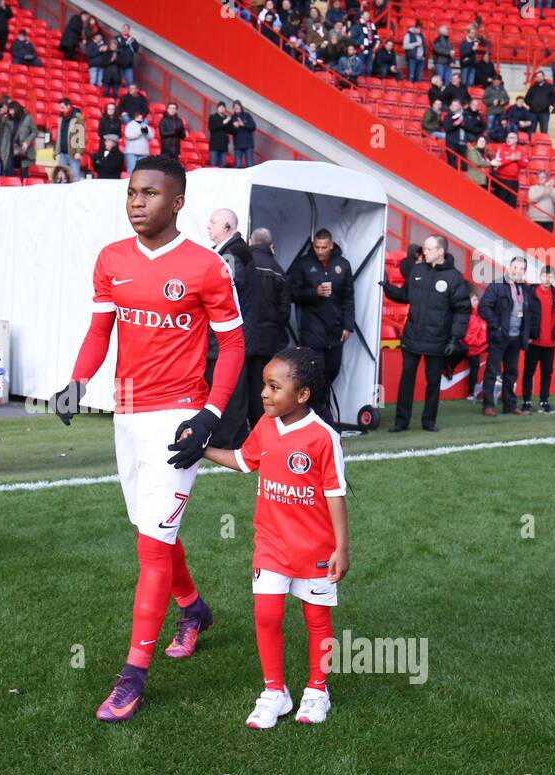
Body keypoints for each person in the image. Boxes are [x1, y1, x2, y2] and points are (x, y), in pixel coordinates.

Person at [48, 155, 244, 722]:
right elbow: (99, 329)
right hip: (126, 414)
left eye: (150, 194)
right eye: (132, 192)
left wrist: (208, 416)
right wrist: (77, 381)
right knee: (152, 527)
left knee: (152, 547)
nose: (137, 202)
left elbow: (232, 347)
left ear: (177, 201)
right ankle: (195, 610)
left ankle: (133, 675)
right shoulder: (111, 259)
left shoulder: (207, 267)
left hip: (178, 418)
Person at [199, 346, 347, 728]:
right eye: (264, 384)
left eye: (274, 387)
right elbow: (244, 461)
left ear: (302, 395)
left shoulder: (323, 437)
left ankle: (317, 690)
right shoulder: (265, 425)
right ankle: (275, 692)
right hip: (271, 545)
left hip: (315, 548)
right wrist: (202, 449)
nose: (264, 393)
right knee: (267, 615)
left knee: (317, 620)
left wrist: (341, 548)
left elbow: (335, 495)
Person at [381, 235, 469, 433]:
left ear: (440, 252)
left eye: (429, 249)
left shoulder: (454, 277)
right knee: (407, 379)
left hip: (438, 340)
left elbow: (462, 310)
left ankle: (429, 421)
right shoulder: (417, 269)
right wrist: (388, 289)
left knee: (433, 381)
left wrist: (455, 338)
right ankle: (401, 421)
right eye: (424, 248)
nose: (424, 252)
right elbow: (405, 295)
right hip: (412, 336)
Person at [206, 208, 252, 450]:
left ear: (227, 227)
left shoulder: (232, 255)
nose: (208, 227)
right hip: (226, 336)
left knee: (230, 391)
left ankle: (228, 440)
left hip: (226, 337)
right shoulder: (232, 252)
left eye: (212, 222)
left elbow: (226, 288)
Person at [288, 228, 355, 394]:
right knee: (313, 373)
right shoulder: (303, 264)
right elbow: (291, 293)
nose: (319, 251)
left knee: (332, 371)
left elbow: (348, 298)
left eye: (323, 247)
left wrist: (348, 325)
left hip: (335, 329)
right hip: (311, 329)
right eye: (317, 247)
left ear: (331, 245)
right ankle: (315, 412)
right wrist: (314, 293)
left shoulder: (343, 265)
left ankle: (320, 409)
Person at [241, 228, 291, 426]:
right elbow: (284, 310)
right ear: (270, 245)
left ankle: (242, 427)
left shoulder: (243, 264)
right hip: (269, 339)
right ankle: (261, 425)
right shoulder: (277, 269)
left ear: (251, 241)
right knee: (265, 383)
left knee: (241, 385)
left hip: (244, 336)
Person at [478, 256, 539, 417]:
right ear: (508, 267)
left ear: (524, 271)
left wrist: (528, 335)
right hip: (499, 336)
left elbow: (529, 313)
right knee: (492, 371)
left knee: (511, 372)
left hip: (516, 338)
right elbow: (483, 307)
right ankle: (488, 406)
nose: (517, 270)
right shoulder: (497, 285)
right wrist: (496, 326)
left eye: (521, 268)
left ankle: (509, 405)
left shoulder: (525, 289)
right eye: (515, 267)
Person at [521, 266, 555, 415]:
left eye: (550, 277)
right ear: (540, 276)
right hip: (534, 341)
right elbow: (524, 314)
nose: (547, 279)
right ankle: (526, 402)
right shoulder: (531, 292)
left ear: (553, 278)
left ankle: (543, 402)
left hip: (549, 343)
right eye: (545, 276)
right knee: (529, 372)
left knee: (547, 374)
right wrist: (526, 334)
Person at [446, 290, 486, 402]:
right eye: (474, 300)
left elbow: (481, 332)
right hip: (469, 347)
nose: (477, 302)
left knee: (475, 367)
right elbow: (468, 336)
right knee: (474, 366)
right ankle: (471, 392)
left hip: (476, 347)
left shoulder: (479, 315)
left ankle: (472, 392)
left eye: (477, 300)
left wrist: (483, 342)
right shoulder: (466, 315)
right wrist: (481, 342)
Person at [54, 97, 84, 180]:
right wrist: (56, 151)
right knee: (59, 177)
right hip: (63, 153)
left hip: (73, 153)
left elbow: (81, 135)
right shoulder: (61, 117)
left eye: (62, 107)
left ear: (68, 106)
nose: (61, 109)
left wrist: (79, 152)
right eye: (60, 107)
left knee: (75, 178)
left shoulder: (78, 116)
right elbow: (59, 134)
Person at [230, 100, 257, 169]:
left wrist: (243, 125)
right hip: (238, 145)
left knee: (250, 165)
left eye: (237, 106)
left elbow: (253, 127)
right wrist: (234, 127)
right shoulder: (232, 117)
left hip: (248, 144)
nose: (236, 107)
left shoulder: (247, 115)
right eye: (234, 106)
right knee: (238, 165)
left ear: (241, 107)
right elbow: (230, 131)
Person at [208, 101, 232, 167]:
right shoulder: (212, 117)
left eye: (223, 107)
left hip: (223, 145)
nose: (221, 108)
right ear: (217, 108)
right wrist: (223, 123)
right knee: (213, 165)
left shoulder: (227, 118)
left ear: (225, 109)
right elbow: (211, 128)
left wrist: (232, 122)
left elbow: (230, 130)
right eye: (220, 107)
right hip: (214, 145)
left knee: (223, 166)